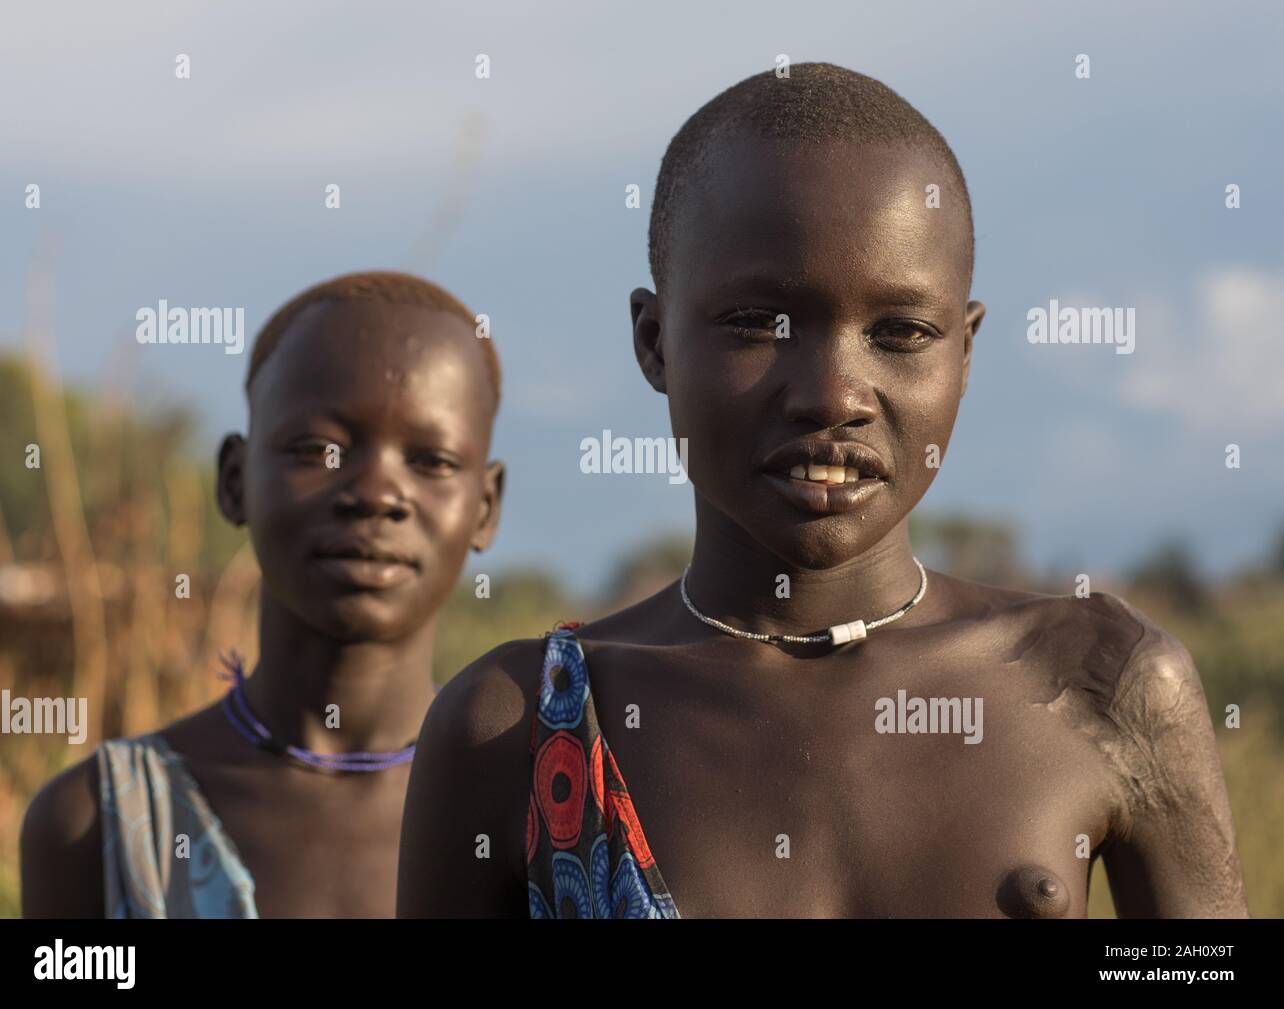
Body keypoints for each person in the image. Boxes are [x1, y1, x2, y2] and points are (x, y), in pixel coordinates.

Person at [396, 64, 1248, 918]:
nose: (833, 394)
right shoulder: (516, 727)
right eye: (757, 324)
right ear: (654, 343)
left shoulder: (1105, 688)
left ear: (964, 351)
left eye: (900, 332)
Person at [21, 270, 505, 917]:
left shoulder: (544, 815)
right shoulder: (98, 823)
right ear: (234, 480)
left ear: (486, 506)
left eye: (432, 461)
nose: (377, 493)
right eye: (319, 449)